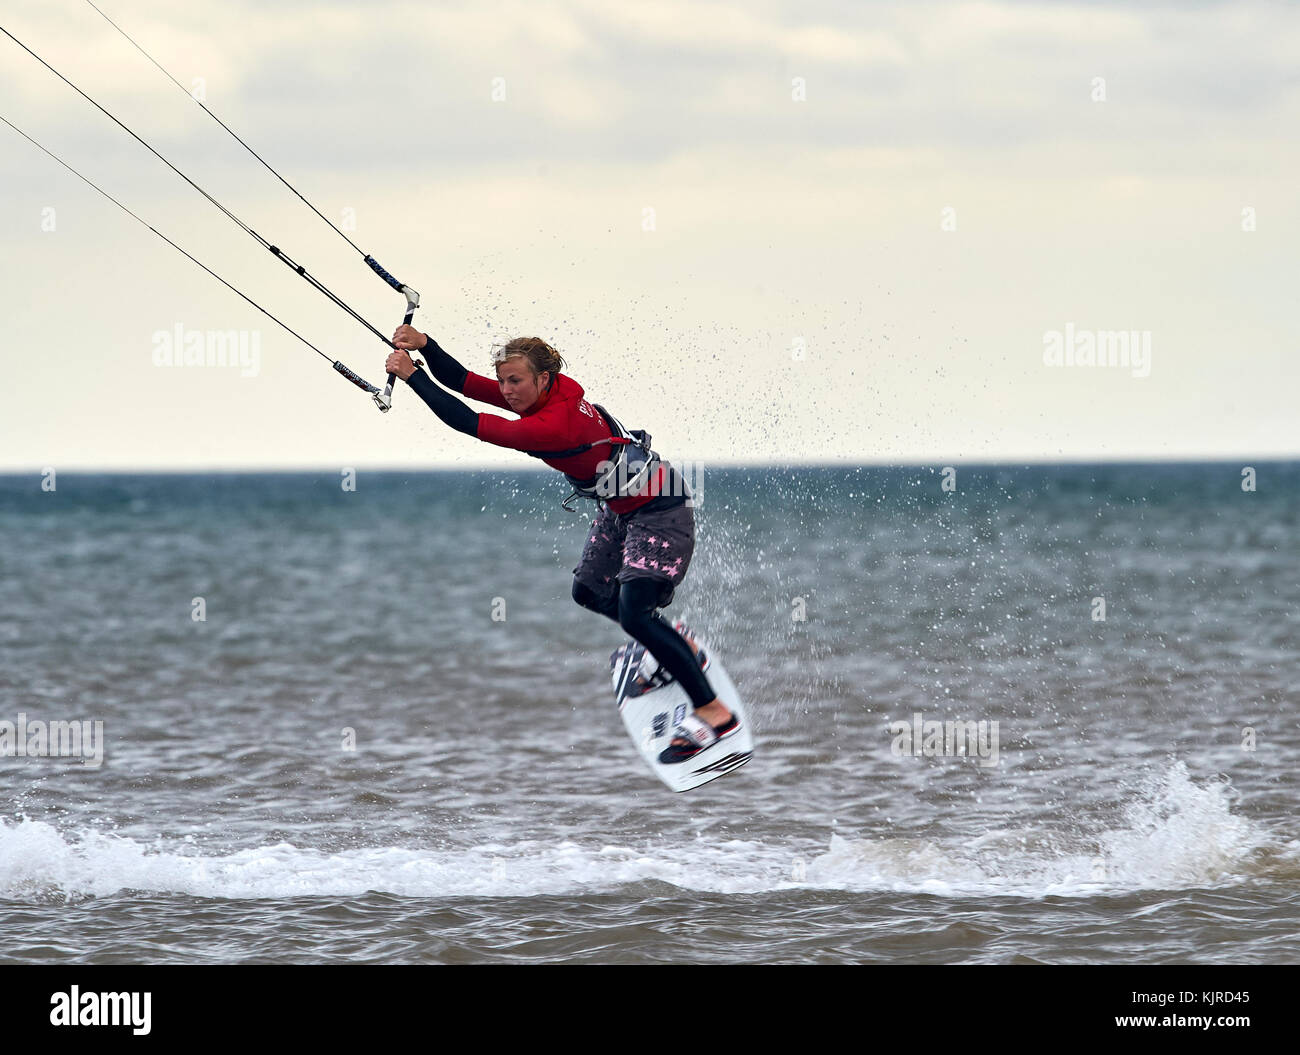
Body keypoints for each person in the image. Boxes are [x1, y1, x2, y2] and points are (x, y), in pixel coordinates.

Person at [385, 328, 740, 762]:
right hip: (622, 507)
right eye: (503, 381)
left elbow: (468, 421)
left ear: (544, 378)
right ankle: (676, 645)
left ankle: (714, 711)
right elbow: (463, 383)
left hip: (661, 508)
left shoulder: (553, 425)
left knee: (634, 615)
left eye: (516, 381)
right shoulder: (549, 394)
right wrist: (426, 346)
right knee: (590, 592)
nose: (506, 391)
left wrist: (413, 378)